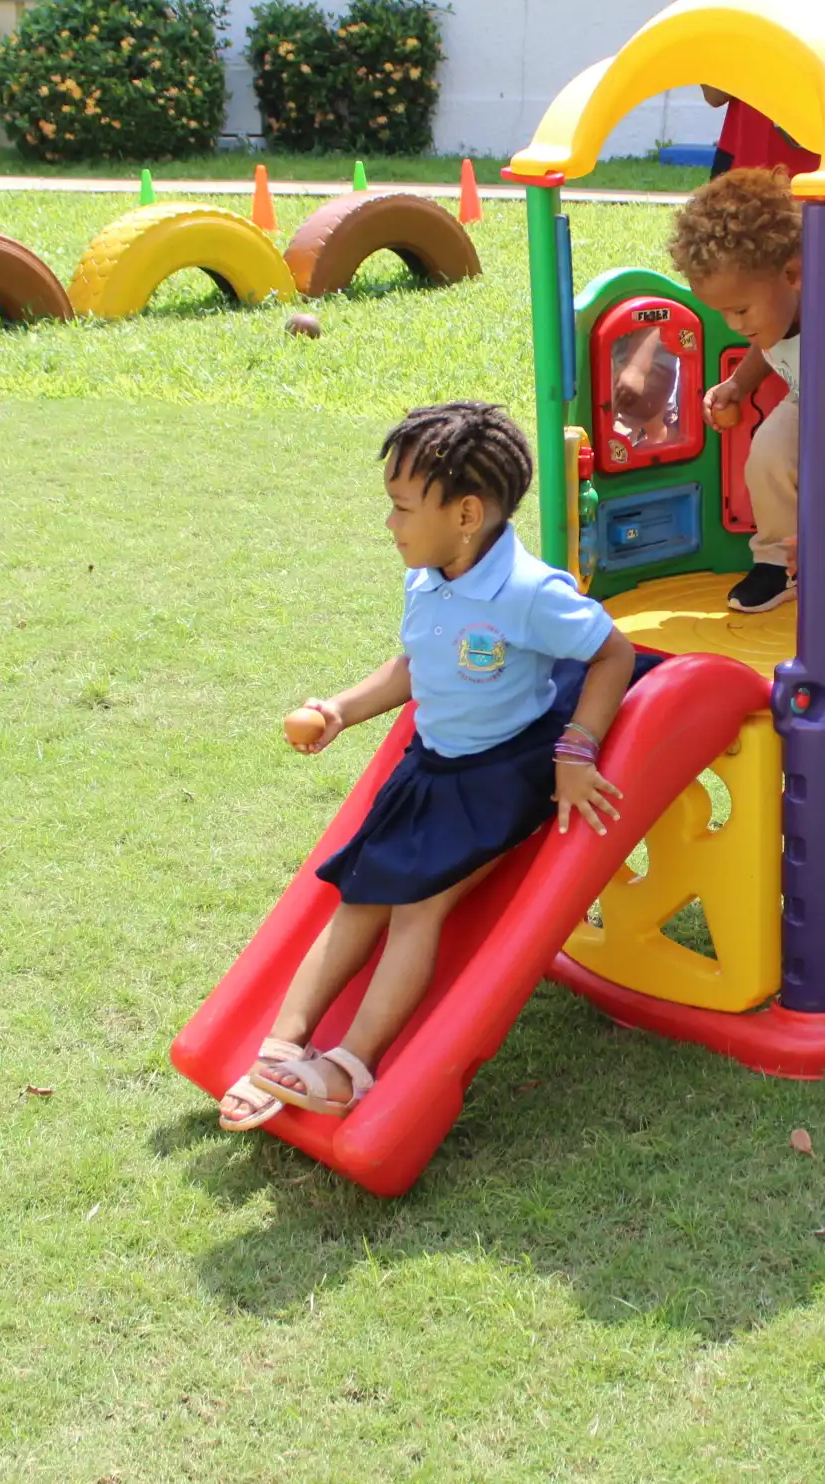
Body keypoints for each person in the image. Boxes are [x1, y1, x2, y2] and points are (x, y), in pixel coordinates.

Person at [218, 403, 644, 1130]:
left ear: (467, 513)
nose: (391, 524)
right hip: (433, 766)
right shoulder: (429, 575)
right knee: (358, 898)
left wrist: (578, 748)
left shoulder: (527, 593)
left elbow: (614, 654)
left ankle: (350, 1067)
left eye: (402, 508)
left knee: (418, 905)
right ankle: (280, 1048)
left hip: (502, 775)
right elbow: (416, 664)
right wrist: (342, 709)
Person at [681, 168, 807, 612]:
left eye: (740, 310)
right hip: (808, 402)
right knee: (768, 453)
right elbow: (766, 345)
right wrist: (738, 383)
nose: (735, 326)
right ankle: (778, 565)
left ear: (792, 274)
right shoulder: (773, 315)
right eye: (722, 314)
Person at [704, 0, 825, 180]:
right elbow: (713, 93)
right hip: (744, 165)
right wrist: (758, 0)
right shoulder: (744, 4)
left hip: (811, 170)